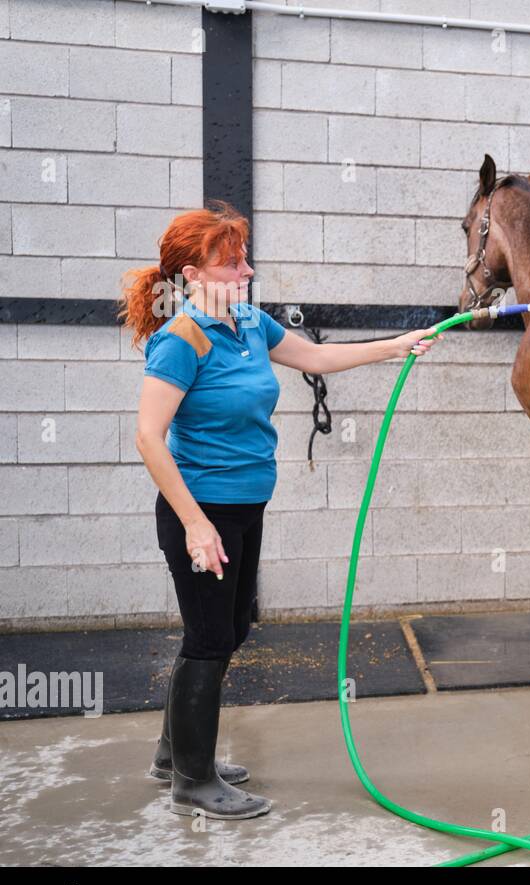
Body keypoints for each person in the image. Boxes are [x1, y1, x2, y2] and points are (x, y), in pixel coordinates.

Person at [119, 200, 441, 820]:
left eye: (243, 260)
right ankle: (193, 780)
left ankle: (174, 754)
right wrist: (194, 525)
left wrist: (398, 345)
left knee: (228, 632)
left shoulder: (248, 323)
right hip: (202, 511)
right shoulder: (181, 340)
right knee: (210, 640)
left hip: (244, 507)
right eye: (229, 264)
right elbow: (148, 439)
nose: (245, 271)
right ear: (192, 275)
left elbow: (315, 358)